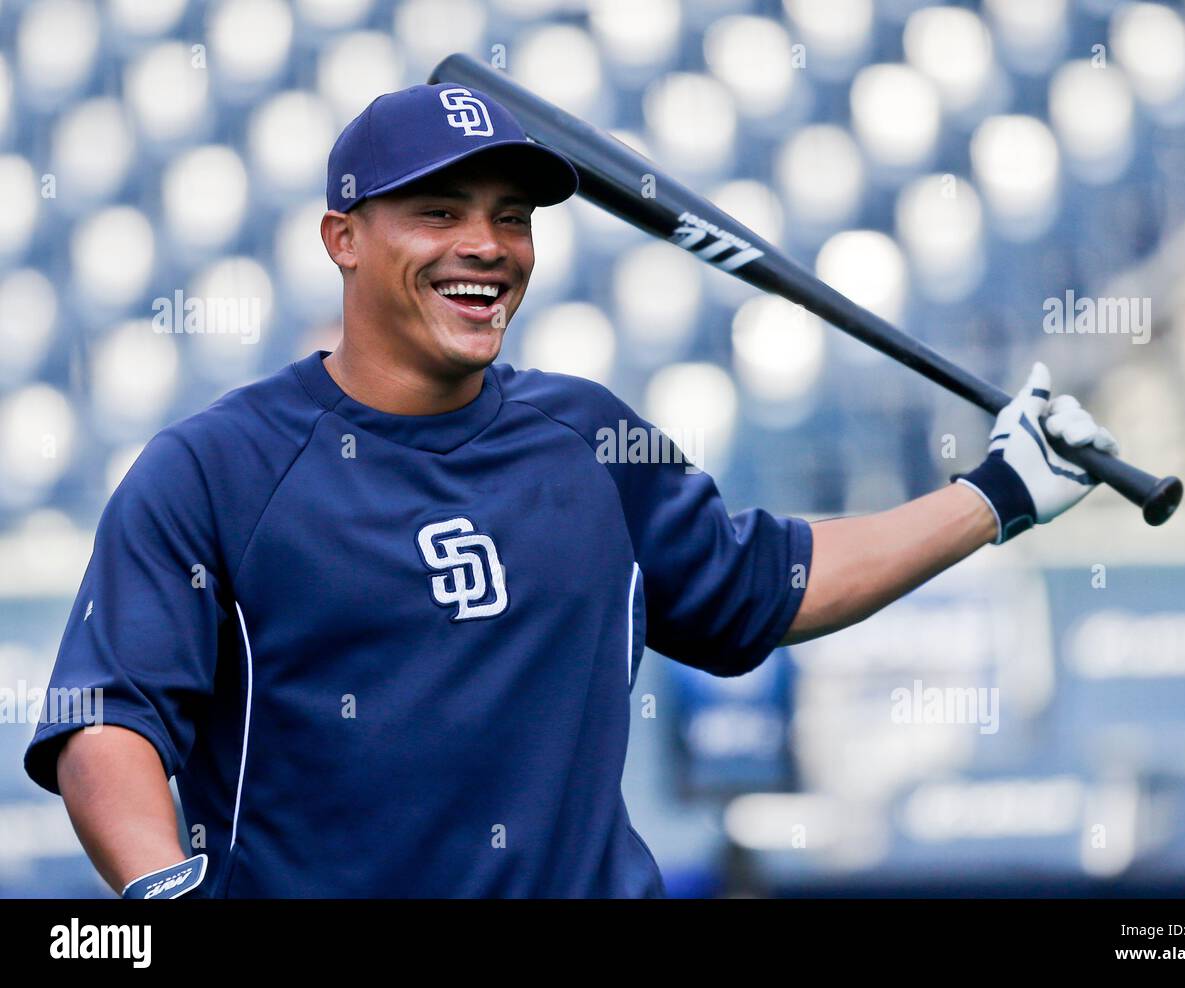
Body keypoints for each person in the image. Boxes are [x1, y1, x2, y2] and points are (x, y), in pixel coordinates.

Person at [25, 83, 1118, 898]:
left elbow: (770, 583)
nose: (487, 247)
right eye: (441, 212)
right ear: (342, 239)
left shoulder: (590, 437)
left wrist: (1000, 490)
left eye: (513, 216)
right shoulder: (215, 468)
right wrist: (160, 897)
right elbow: (107, 724)